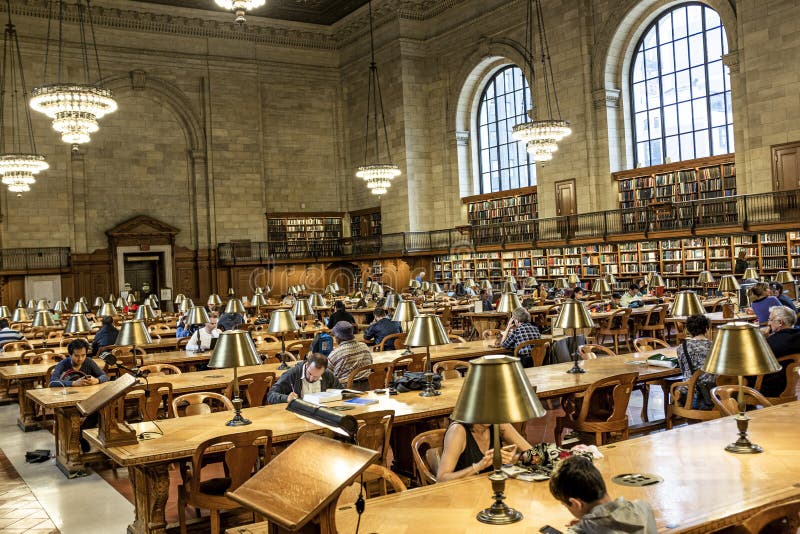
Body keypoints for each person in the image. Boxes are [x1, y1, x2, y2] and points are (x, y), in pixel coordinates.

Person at [549, 455, 657, 533]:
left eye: (566, 506)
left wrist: (585, 524)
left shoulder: (579, 531)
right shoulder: (643, 509)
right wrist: (588, 520)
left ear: (575, 503)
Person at [436, 421, 533, 483]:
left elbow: (535, 453)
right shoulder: (457, 431)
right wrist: (479, 466)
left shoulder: (499, 423)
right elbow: (441, 479)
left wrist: (516, 458)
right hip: (462, 496)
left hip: (490, 490)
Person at [267, 353, 343, 404]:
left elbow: (341, 392)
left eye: (317, 376)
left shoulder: (327, 374)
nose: (312, 378)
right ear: (307, 365)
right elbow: (270, 395)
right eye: (310, 373)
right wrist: (286, 398)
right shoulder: (292, 374)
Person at [676, 314, 715, 409]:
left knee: (675, 389)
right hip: (716, 395)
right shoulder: (715, 346)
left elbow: (684, 371)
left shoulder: (682, 347)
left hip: (692, 395)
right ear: (707, 328)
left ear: (688, 330)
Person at [761, 306, 800, 396]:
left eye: (770, 320)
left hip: (767, 387)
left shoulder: (770, 343)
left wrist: (763, 339)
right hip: (790, 386)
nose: (769, 323)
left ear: (780, 322)